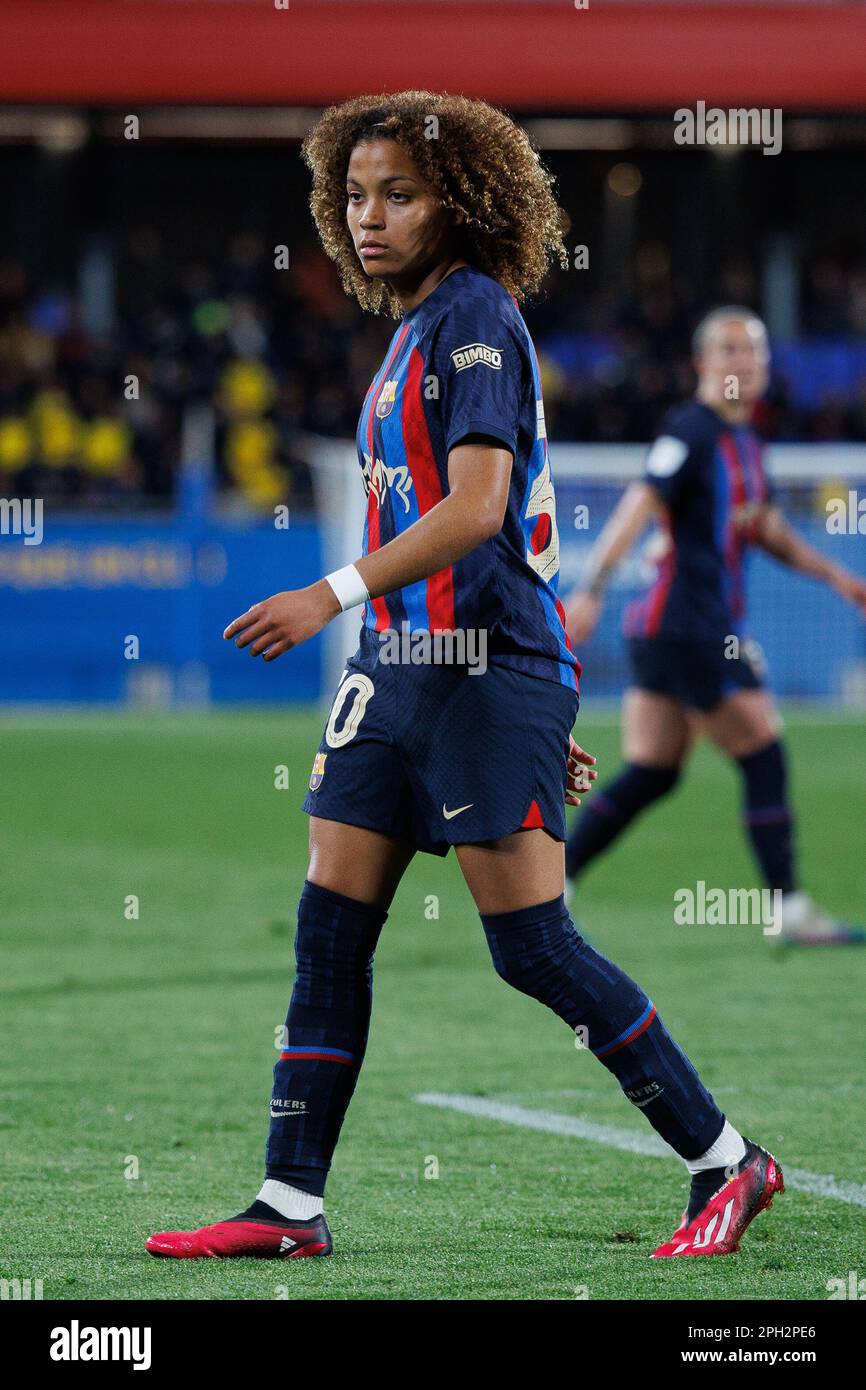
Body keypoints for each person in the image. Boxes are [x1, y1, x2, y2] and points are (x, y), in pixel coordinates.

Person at [146, 94, 782, 1264]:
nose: (371, 216)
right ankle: (289, 1203)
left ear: (461, 200)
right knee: (327, 930)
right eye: (353, 196)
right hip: (400, 673)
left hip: (485, 668)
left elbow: (479, 512)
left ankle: (725, 1158)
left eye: (399, 193)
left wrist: (329, 594)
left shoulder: (476, 316)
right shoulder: (414, 328)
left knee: (530, 946)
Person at [564, 307, 866, 945]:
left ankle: (553, 881)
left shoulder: (747, 443)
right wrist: (590, 588)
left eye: (754, 351)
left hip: (674, 631)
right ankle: (789, 911)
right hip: (689, 626)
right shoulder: (692, 430)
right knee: (764, 752)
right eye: (730, 350)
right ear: (703, 364)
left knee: (655, 768)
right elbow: (640, 503)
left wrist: (835, 576)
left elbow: (765, 528)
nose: (745, 362)